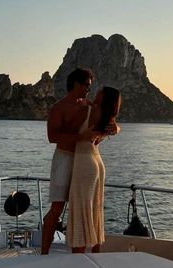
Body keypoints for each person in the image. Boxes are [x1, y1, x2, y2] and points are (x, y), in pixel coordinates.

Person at [41, 68, 97, 255]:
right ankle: (44, 252)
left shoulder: (89, 106)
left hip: (83, 160)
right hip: (64, 159)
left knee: (80, 206)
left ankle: (80, 253)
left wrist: (112, 129)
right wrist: (81, 136)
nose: (89, 90)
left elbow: (102, 128)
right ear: (76, 84)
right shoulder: (59, 107)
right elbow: (52, 136)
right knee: (57, 207)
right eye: (87, 86)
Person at [66, 86, 121, 254]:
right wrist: (117, 129)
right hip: (97, 161)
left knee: (82, 207)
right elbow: (115, 129)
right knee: (95, 207)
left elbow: (69, 131)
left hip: (85, 161)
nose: (96, 92)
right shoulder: (108, 118)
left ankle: (78, 257)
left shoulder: (88, 111)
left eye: (100, 92)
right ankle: (96, 255)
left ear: (103, 97)